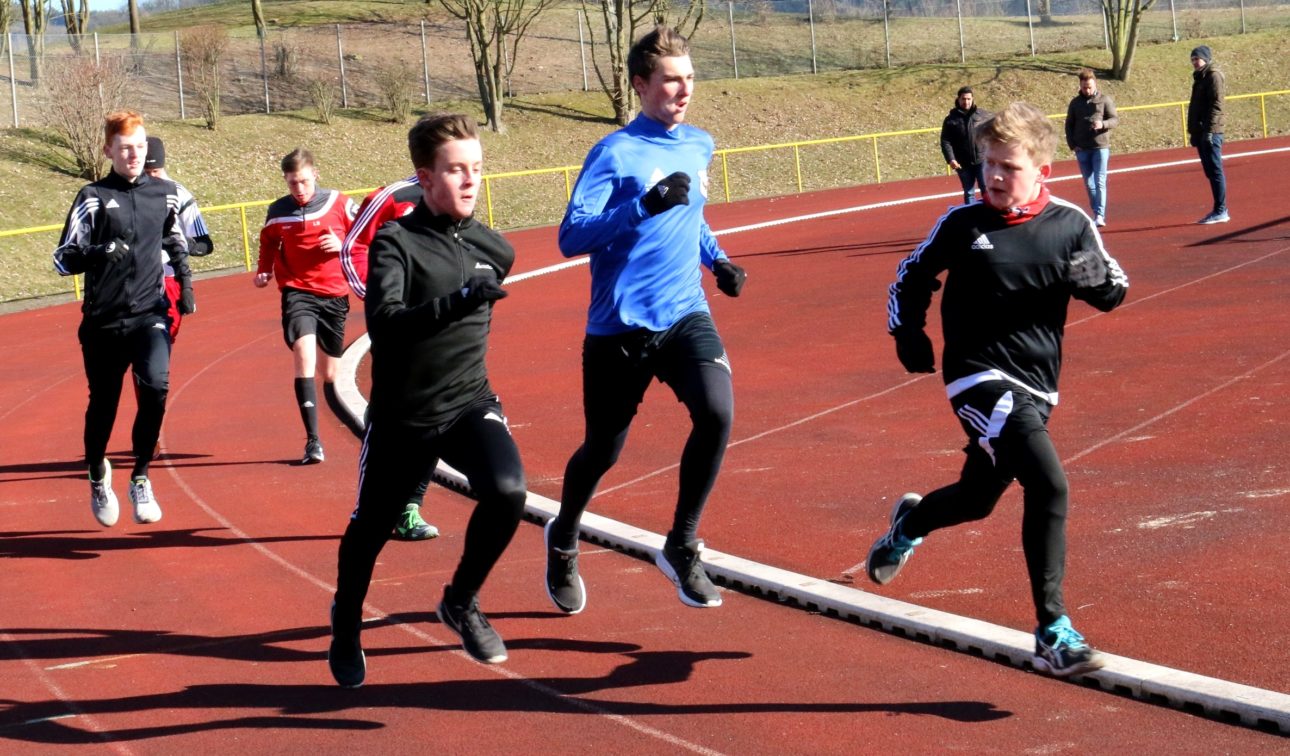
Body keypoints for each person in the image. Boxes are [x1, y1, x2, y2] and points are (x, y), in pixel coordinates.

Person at [868, 102, 1128, 678]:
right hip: (976, 377)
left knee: (978, 499)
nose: (993, 176)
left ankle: (910, 524)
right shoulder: (963, 223)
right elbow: (912, 275)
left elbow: (1115, 287)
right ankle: (1053, 630)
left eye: (1008, 166)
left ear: (1042, 171)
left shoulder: (1070, 224)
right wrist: (907, 331)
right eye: (988, 163)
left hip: (1039, 385)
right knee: (1049, 483)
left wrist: (1096, 282)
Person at [543, 25, 747, 616]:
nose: (684, 90)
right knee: (602, 451)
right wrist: (641, 205)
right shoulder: (614, 153)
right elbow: (570, 237)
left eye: (690, 78)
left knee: (717, 412)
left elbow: (690, 217)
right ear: (640, 84)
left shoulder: (699, 144)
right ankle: (563, 536)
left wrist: (718, 260)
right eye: (671, 80)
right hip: (620, 329)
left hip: (685, 313)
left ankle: (681, 544)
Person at [328, 113, 527, 687]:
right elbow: (386, 325)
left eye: (477, 168)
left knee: (508, 491)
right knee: (371, 529)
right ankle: (346, 621)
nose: (470, 180)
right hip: (403, 417)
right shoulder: (397, 242)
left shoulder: (495, 249)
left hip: (468, 402)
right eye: (456, 170)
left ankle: (460, 600)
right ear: (425, 177)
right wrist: (459, 299)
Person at [52, 110, 194, 527]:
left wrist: (185, 282)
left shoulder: (166, 193)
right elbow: (62, 259)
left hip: (150, 314)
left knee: (156, 387)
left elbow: (174, 238)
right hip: (103, 321)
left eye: (140, 147)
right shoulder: (92, 197)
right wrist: (99, 252)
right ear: (108, 150)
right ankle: (98, 473)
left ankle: (141, 477)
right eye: (126, 148)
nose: (135, 155)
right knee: (104, 405)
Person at [339, 175, 440, 542]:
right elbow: (353, 248)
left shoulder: (457, 197)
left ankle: (410, 506)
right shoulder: (391, 197)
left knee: (440, 413)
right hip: (397, 325)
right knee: (391, 413)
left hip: (440, 325)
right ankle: (370, 507)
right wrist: (380, 298)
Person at [253, 148, 357, 465]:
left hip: (334, 293)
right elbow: (268, 241)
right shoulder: (278, 211)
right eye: (292, 183)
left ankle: (325, 419)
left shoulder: (339, 203)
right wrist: (264, 270)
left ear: (315, 174)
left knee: (330, 372)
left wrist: (342, 245)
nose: (299, 189)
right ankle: (313, 441)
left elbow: (367, 238)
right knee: (303, 354)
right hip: (297, 291)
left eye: (304, 181)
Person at [143, 136, 214, 342]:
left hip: (170, 279)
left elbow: (205, 244)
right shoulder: (128, 195)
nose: (151, 177)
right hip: (137, 280)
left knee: (163, 341)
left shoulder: (179, 194)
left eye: (155, 171)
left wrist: (181, 243)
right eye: (146, 172)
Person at [1064, 69, 1118, 227]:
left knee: (1099, 181)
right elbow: (1069, 125)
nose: (1087, 90)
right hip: (1082, 149)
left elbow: (1115, 119)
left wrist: (1103, 124)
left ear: (1095, 85)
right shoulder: (1075, 103)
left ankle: (1100, 215)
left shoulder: (1104, 100)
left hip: (1100, 147)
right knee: (1089, 184)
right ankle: (1096, 212)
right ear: (1080, 86)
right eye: (1084, 87)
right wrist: (1073, 145)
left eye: (1089, 87)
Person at [1187, 45, 1229, 224]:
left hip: (1211, 131)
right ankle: (1219, 209)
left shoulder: (1213, 75)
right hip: (1201, 131)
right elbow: (1196, 106)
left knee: (1215, 169)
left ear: (1205, 58)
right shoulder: (1200, 77)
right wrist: (1194, 130)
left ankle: (1221, 210)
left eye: (1197, 58)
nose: (1194, 62)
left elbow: (1217, 105)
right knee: (1210, 171)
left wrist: (1210, 131)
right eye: (1192, 59)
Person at [941, 86, 991, 205]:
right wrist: (951, 159)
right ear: (958, 99)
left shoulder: (982, 115)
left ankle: (990, 213)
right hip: (962, 163)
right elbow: (945, 141)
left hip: (982, 160)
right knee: (969, 192)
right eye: (963, 99)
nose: (966, 102)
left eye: (968, 99)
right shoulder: (950, 120)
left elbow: (994, 131)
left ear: (972, 99)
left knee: (986, 189)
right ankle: (971, 215)